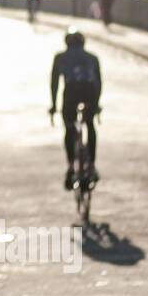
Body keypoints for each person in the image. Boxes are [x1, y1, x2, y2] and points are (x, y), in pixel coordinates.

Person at [49, 27, 102, 189]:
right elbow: (99, 83)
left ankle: (72, 166)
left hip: (71, 93)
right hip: (89, 93)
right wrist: (97, 104)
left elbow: (55, 83)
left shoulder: (60, 57)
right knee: (90, 125)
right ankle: (91, 164)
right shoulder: (93, 58)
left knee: (70, 129)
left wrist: (53, 105)